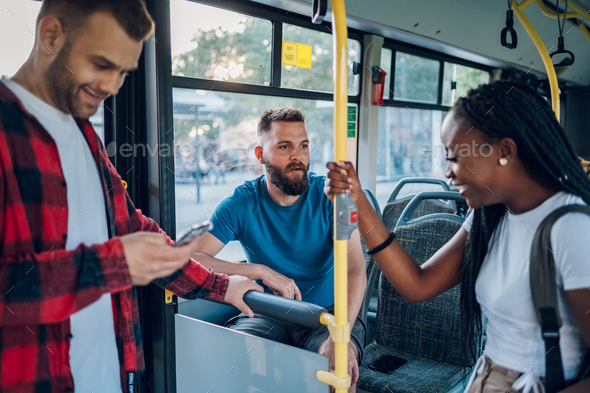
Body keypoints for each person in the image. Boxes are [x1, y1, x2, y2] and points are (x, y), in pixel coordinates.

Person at [0, 1, 262, 392]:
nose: (112, 86)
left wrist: (222, 286)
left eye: (123, 72)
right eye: (102, 64)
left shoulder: (85, 135)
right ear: (50, 36)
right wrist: (113, 265)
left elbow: (133, 227)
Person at [324, 81, 590, 393]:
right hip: (486, 376)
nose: (447, 172)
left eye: (453, 156)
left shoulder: (571, 229)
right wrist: (358, 200)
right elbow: (417, 285)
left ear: (504, 151)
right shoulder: (490, 216)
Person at [193, 107, 367, 392]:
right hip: (270, 312)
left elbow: (355, 269)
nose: (297, 156)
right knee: (230, 356)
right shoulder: (241, 202)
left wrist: (340, 339)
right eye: (285, 147)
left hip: (330, 314)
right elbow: (192, 259)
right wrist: (258, 271)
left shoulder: (337, 199)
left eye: (304, 146)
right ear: (260, 155)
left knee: (336, 370)